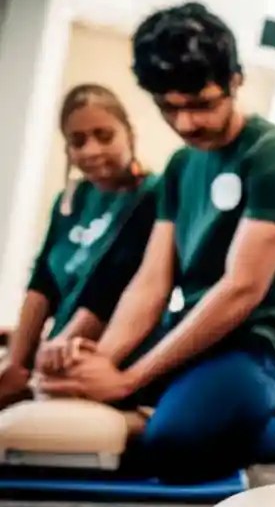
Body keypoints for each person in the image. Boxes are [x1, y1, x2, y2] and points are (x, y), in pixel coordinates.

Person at [32, 3, 275, 482]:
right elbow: (151, 283)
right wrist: (101, 362)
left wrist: (127, 378)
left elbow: (241, 289)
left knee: (176, 444)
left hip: (261, 346)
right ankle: (178, 406)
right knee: (64, 383)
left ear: (236, 81)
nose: (187, 125)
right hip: (195, 334)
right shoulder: (183, 168)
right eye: (171, 108)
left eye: (202, 104)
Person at [0, 85, 160, 409]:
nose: (90, 150)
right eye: (77, 141)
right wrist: (16, 362)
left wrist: (55, 352)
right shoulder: (70, 201)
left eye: (104, 136)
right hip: (55, 346)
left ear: (128, 133)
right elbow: (41, 284)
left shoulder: (153, 194)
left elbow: (111, 288)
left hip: (102, 354)